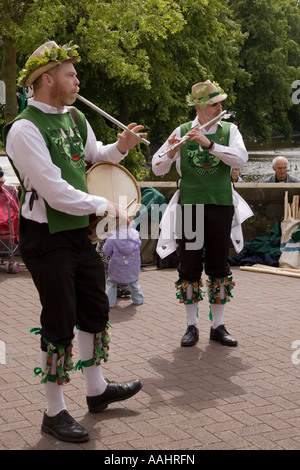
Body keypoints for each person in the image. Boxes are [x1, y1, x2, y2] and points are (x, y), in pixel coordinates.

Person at [2, 40, 146, 443]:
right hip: (46, 236)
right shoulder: (23, 129)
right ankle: (54, 412)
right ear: (46, 80)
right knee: (59, 318)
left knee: (95, 307)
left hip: (77, 233)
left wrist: (120, 148)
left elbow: (93, 157)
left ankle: (96, 391)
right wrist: (106, 206)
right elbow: (53, 189)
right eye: (70, 74)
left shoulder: (76, 117)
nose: (76, 80)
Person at [152, 80, 248, 348]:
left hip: (220, 205)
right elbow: (157, 168)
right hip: (190, 208)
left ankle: (218, 326)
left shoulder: (230, 131)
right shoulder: (183, 130)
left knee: (219, 265)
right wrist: (171, 151)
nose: (220, 107)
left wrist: (210, 145)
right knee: (190, 266)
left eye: (220, 102)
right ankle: (191, 325)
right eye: (214, 103)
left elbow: (241, 159)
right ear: (200, 107)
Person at [103, 220, 144, 308]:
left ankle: (109, 303)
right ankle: (138, 300)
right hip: (132, 264)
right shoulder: (134, 233)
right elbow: (139, 244)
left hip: (116, 265)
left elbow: (106, 249)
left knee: (112, 283)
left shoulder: (113, 234)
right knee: (134, 281)